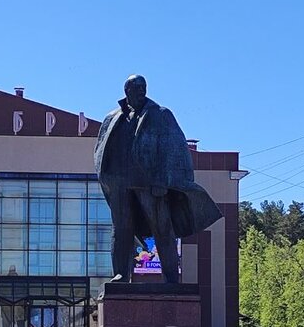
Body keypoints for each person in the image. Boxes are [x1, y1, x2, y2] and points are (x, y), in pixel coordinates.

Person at [93, 75, 222, 283]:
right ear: (126, 91)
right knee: (121, 229)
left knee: (162, 229)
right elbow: (100, 150)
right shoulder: (112, 118)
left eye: (143, 87)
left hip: (150, 183)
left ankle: (171, 277)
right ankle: (121, 274)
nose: (141, 92)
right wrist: (107, 179)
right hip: (120, 184)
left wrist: (164, 179)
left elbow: (175, 148)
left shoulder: (160, 114)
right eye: (136, 88)